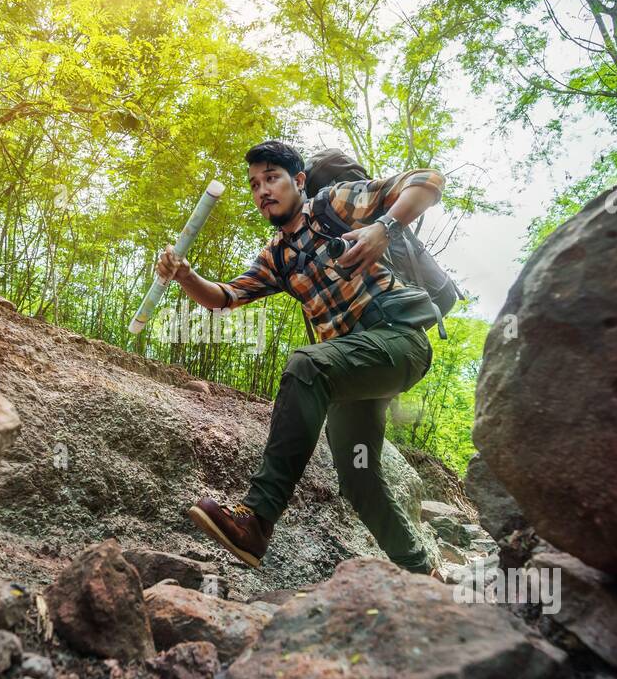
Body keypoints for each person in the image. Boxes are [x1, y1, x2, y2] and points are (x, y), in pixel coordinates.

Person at [155, 140, 446, 574]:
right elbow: (224, 298)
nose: (262, 191)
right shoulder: (277, 257)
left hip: (399, 341)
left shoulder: (335, 204)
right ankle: (424, 574)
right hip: (350, 369)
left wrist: (383, 227)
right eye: (254, 185)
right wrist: (185, 275)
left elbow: (428, 182)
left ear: (300, 181)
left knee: (306, 365)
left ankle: (256, 520)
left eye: (272, 178)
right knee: (357, 477)